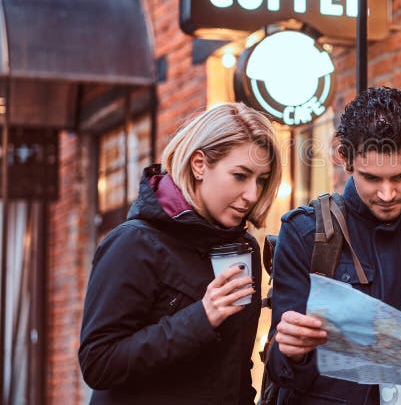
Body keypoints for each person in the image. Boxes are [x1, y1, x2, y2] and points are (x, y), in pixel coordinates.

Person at [267, 86, 401, 404]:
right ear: (345, 159)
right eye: (372, 178)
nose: (387, 194)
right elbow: (278, 370)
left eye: (400, 177)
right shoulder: (304, 234)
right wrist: (291, 351)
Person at [79, 102, 282, 404]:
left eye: (261, 180)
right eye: (241, 175)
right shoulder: (133, 243)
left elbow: (237, 370)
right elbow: (98, 362)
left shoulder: (244, 249)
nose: (252, 194)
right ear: (199, 164)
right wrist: (201, 317)